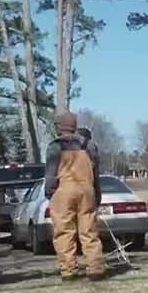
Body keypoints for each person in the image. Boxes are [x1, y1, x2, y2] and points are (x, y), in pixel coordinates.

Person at [45, 112, 104, 282]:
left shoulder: (55, 146)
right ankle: (95, 269)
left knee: (64, 231)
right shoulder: (89, 145)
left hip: (64, 189)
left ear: (60, 127)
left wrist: (49, 192)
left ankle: (69, 270)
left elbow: (50, 174)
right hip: (87, 189)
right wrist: (97, 193)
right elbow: (96, 173)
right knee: (89, 231)